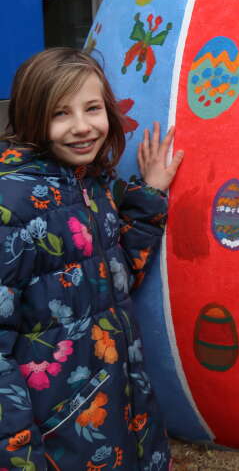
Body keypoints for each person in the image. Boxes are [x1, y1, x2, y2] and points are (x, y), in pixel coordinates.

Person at [0, 48, 183, 471]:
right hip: (58, 434)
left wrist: (147, 199)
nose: (82, 127)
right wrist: (19, 456)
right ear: (32, 118)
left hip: (118, 412)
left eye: (92, 108)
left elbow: (112, 280)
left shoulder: (94, 185)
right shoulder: (13, 205)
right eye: (61, 114)